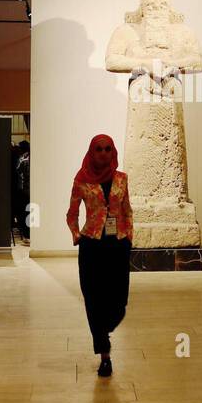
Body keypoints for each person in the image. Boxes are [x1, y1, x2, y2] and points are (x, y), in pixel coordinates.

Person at [66, 134, 133, 378]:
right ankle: (104, 354)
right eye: (98, 149)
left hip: (117, 245)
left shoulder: (122, 179)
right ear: (92, 152)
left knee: (118, 302)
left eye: (107, 149)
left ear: (112, 152)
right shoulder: (82, 180)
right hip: (92, 246)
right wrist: (77, 235)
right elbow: (71, 214)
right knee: (93, 299)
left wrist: (129, 236)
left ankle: (105, 327)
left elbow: (127, 210)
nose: (103, 153)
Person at [15, 140, 31, 245]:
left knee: (26, 213)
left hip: (26, 191)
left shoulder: (24, 161)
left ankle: (27, 235)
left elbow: (18, 171)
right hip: (32, 190)